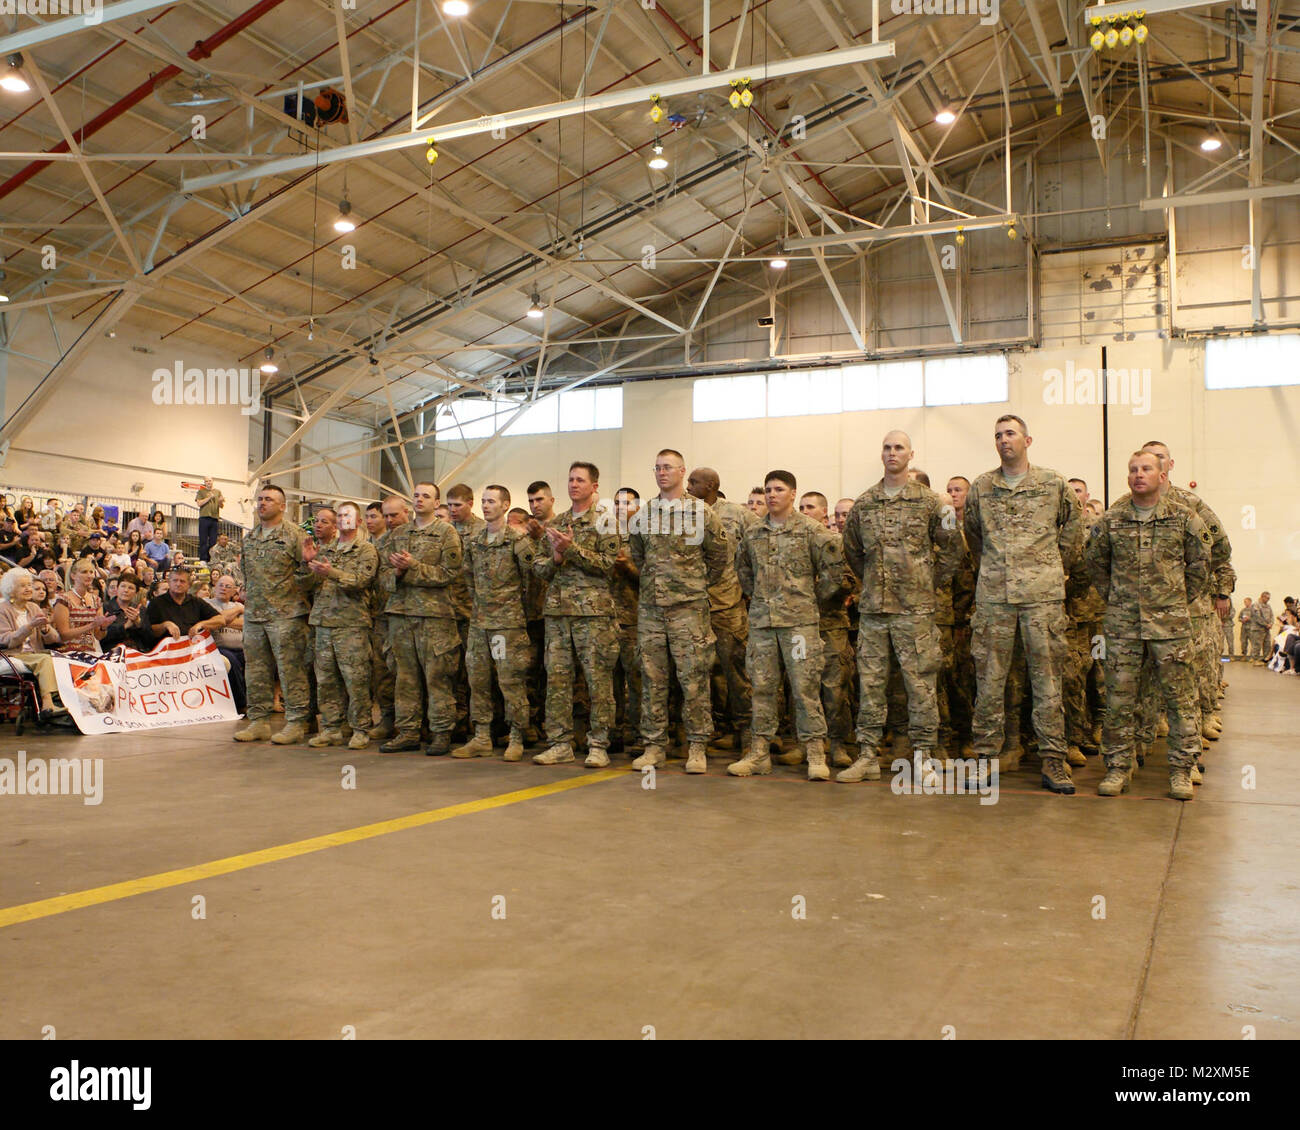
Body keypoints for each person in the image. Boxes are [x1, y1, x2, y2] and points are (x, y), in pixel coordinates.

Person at [964, 414, 1084, 794]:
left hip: (1042, 598)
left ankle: (1053, 761)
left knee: (1047, 682)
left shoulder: (1052, 483)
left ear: (1027, 441)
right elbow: (974, 537)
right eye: (997, 435)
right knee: (989, 682)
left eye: (1010, 434)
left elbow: (1074, 529)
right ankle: (985, 759)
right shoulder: (982, 487)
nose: (1003, 440)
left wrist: (1051, 566)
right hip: (994, 598)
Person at [1086, 450, 1212, 800]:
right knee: (1119, 701)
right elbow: (1095, 563)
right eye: (1133, 470)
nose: (1138, 474)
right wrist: (1117, 598)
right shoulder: (1111, 520)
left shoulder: (1184, 518)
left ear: (1161, 475)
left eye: (1146, 469)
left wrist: (1174, 600)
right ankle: (1117, 768)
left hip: (1170, 627)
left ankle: (1182, 771)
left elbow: (1200, 564)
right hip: (1123, 626)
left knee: (1181, 701)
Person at [839, 433, 962, 784]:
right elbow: (853, 550)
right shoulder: (865, 503)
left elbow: (953, 549)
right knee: (871, 685)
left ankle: (923, 758)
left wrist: (925, 582)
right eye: (887, 448)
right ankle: (867, 755)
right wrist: (874, 583)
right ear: (881, 454)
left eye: (899, 448)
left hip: (916, 612)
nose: (892, 453)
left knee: (920, 685)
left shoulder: (931, 503)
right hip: (875, 611)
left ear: (911, 454)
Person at [729, 469, 849, 780]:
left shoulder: (811, 531)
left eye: (779, 489)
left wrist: (812, 600)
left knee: (805, 688)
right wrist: (759, 598)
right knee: (762, 688)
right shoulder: (754, 533)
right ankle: (758, 753)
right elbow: (742, 570)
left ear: (793, 494)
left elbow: (834, 572)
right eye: (768, 489)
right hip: (763, 625)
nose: (771, 495)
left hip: (800, 626)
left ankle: (815, 753)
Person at [626, 450, 728, 775]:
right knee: (652, 680)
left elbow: (718, 557)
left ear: (682, 471)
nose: (661, 472)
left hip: (689, 611)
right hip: (652, 612)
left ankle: (697, 745)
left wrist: (692, 586)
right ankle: (654, 746)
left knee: (694, 679)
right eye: (656, 467)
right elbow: (638, 557)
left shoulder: (701, 512)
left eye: (667, 467)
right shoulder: (644, 514)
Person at [532, 462, 620, 767]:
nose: (573, 485)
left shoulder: (606, 522)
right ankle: (559, 742)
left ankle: (598, 744)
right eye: (570, 479)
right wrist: (555, 558)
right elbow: (539, 569)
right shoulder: (555, 523)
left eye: (580, 480)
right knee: (557, 680)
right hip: (558, 614)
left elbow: (608, 565)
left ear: (594, 486)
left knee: (598, 681)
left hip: (593, 616)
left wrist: (571, 551)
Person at [378, 484, 463, 756]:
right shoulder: (398, 534)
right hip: (402, 615)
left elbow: (449, 574)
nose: (420, 499)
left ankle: (440, 732)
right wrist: (398, 574)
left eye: (426, 496)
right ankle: (408, 732)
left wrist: (413, 567)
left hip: (435, 616)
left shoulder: (446, 532)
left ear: (437, 502)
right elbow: (382, 576)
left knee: (437, 678)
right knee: (405, 678)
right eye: (416, 495)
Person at [453, 485, 535, 762]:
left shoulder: (517, 541)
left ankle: (516, 736)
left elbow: (531, 582)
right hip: (479, 625)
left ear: (506, 505)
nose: (486, 506)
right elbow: (467, 578)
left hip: (507, 627)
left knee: (509, 680)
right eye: (484, 501)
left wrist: (514, 611)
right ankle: (482, 736)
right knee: (478, 680)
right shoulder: (475, 540)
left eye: (492, 501)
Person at [233, 484, 313, 745]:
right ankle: (259, 721)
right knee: (256, 671)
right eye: (260, 499)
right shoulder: (251, 537)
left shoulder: (296, 535)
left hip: (287, 615)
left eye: (269, 499)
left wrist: (292, 595)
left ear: (282, 506)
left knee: (291, 671)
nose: (262, 503)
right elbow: (247, 573)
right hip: (255, 615)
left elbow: (309, 575)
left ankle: (297, 722)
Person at [686, 467, 756, 754]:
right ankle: (713, 731)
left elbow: (759, 544)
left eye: (694, 482)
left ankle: (748, 732)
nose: (688, 486)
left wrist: (748, 586)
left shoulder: (737, 514)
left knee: (737, 671)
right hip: (693, 605)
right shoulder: (684, 513)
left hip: (728, 605)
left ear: (711, 485)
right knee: (701, 674)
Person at [304, 501, 378, 750]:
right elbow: (311, 586)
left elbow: (361, 581)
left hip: (351, 624)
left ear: (358, 522)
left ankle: (360, 729)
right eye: (341, 516)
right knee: (326, 680)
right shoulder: (326, 550)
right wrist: (309, 564)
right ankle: (331, 728)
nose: (344, 519)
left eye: (349, 516)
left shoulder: (366, 550)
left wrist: (331, 572)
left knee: (356, 680)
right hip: (324, 623)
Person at [799, 490, 858, 768]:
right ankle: (809, 744)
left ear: (824, 513)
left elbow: (849, 579)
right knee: (803, 687)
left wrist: (819, 592)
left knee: (835, 688)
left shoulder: (837, 543)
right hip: (800, 626)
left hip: (831, 623)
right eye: (802, 507)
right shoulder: (795, 543)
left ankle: (837, 744)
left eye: (810, 507)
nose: (805, 511)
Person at [0, 567, 67, 719]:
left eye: (29, 585)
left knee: (62, 658)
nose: (28, 589)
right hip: (13, 655)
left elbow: (54, 639)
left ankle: (63, 702)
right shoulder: (2, 610)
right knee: (45, 659)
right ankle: (47, 702)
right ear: (11, 590)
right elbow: (6, 641)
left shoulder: (33, 607)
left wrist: (44, 629)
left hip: (34, 654)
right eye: (22, 586)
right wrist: (29, 627)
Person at [610, 488, 643, 752]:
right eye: (617, 503)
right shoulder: (606, 535)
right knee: (610, 681)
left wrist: (628, 568)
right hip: (608, 619)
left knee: (636, 680)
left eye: (627, 502)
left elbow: (652, 578)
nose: (621, 507)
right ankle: (614, 730)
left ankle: (638, 731)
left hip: (634, 618)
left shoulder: (644, 536)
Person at [363, 501, 396, 739]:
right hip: (371, 615)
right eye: (367, 517)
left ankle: (396, 719)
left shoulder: (392, 544)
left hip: (391, 614)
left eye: (374, 516)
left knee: (392, 669)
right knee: (378, 670)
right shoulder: (365, 546)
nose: (369, 521)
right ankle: (386, 717)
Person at [145, 565, 227, 642]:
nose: (178, 584)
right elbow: (149, 631)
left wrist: (201, 624)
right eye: (175, 580)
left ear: (189, 585)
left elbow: (221, 620)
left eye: (182, 581)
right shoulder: (156, 603)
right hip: (166, 650)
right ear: (169, 583)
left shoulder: (196, 602)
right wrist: (165, 625)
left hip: (193, 649)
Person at [51, 557, 115, 654]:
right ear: (73, 575)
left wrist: (103, 627)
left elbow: (98, 636)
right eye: (84, 572)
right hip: (68, 652)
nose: (89, 576)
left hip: (91, 651)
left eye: (91, 572)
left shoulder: (96, 600)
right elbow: (63, 635)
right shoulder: (63, 600)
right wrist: (91, 626)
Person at [207, 574, 247, 713]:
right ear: (215, 588)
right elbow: (217, 620)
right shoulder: (207, 603)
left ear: (234, 590)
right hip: (218, 648)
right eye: (221, 585)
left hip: (243, 648)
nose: (223, 588)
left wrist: (224, 619)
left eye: (228, 586)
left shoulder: (238, 604)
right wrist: (237, 611)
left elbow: (245, 624)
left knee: (260, 659)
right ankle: (241, 703)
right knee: (232, 661)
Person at [101, 571, 150, 651]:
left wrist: (138, 623)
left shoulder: (141, 609)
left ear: (136, 592)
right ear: (117, 588)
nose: (126, 590)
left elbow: (150, 639)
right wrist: (125, 626)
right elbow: (100, 637)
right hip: (111, 654)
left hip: (137, 654)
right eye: (123, 586)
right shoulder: (105, 608)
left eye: (131, 588)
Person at [195, 478, 225, 563]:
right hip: (204, 517)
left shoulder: (218, 492)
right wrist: (209, 498)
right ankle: (203, 559)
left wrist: (220, 501)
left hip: (214, 518)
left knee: (213, 541)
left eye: (210, 481)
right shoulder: (201, 491)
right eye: (207, 481)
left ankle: (212, 559)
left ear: (213, 482)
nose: (208, 482)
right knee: (203, 539)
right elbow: (199, 503)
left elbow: (221, 506)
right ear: (204, 483)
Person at [1251, 592, 1275, 663]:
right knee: (1257, 645)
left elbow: (1272, 616)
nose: (1268, 600)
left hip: (1266, 629)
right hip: (1258, 629)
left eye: (1269, 598)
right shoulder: (1256, 605)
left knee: (1267, 644)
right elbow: (1257, 617)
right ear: (1262, 597)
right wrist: (1266, 624)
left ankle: (1266, 659)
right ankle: (1255, 660)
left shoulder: (1268, 606)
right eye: (1267, 598)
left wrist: (1271, 623)